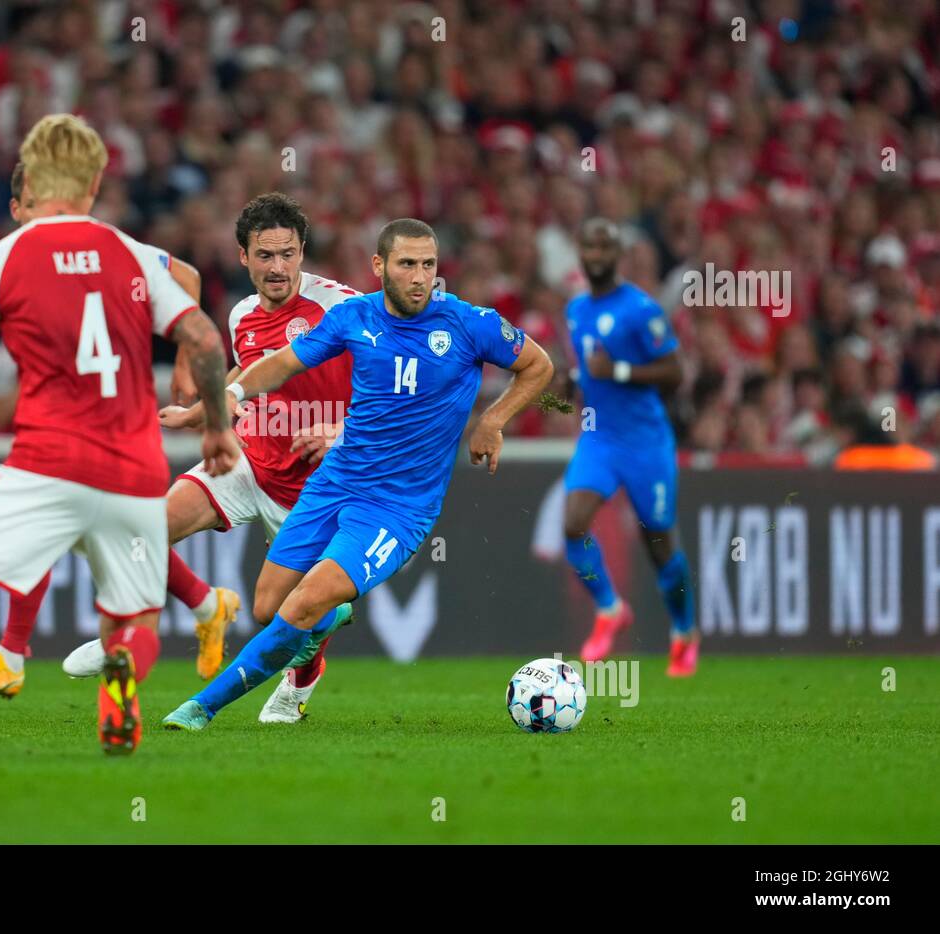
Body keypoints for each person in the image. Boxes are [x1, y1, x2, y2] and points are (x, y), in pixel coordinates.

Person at [0, 114, 240, 757]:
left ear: (31, 183)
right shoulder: (135, 255)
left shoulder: (3, 258)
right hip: (132, 467)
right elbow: (203, 337)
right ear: (95, 184)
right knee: (132, 623)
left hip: (44, 465)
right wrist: (217, 427)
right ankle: (119, 689)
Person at [162, 218, 554, 730]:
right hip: (333, 484)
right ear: (379, 266)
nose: (420, 277)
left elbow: (539, 365)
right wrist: (231, 395)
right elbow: (283, 364)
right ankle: (334, 613)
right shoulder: (353, 317)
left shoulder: (467, 323)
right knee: (267, 606)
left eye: (428, 265)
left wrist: (493, 420)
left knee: (301, 607)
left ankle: (201, 707)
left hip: (396, 508)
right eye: (407, 264)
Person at [57, 191, 360, 723]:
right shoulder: (242, 314)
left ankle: (299, 683)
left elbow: (399, 385)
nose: (277, 267)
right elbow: (252, 375)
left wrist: (339, 427)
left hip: (319, 491)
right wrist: (202, 410)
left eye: (287, 254)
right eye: (264, 255)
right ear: (243, 256)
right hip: (249, 464)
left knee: (299, 616)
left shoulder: (341, 307)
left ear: (303, 252)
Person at [0, 162, 233, 701]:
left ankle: (12, 657)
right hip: (69, 425)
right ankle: (205, 604)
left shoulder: (112, 249)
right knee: (112, 533)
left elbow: (188, 279)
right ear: (17, 210)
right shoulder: (12, 263)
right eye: (39, 201)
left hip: (115, 421)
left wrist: (187, 364)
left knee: (44, 523)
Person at [560, 218, 697, 676]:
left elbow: (675, 373)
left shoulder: (642, 309)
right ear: (580, 253)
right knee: (573, 524)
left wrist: (617, 371)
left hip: (645, 442)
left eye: (605, 245)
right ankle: (609, 608)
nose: (596, 254)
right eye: (589, 245)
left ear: (617, 255)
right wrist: (573, 381)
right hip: (599, 437)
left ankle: (683, 630)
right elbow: (589, 370)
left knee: (658, 542)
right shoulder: (576, 309)